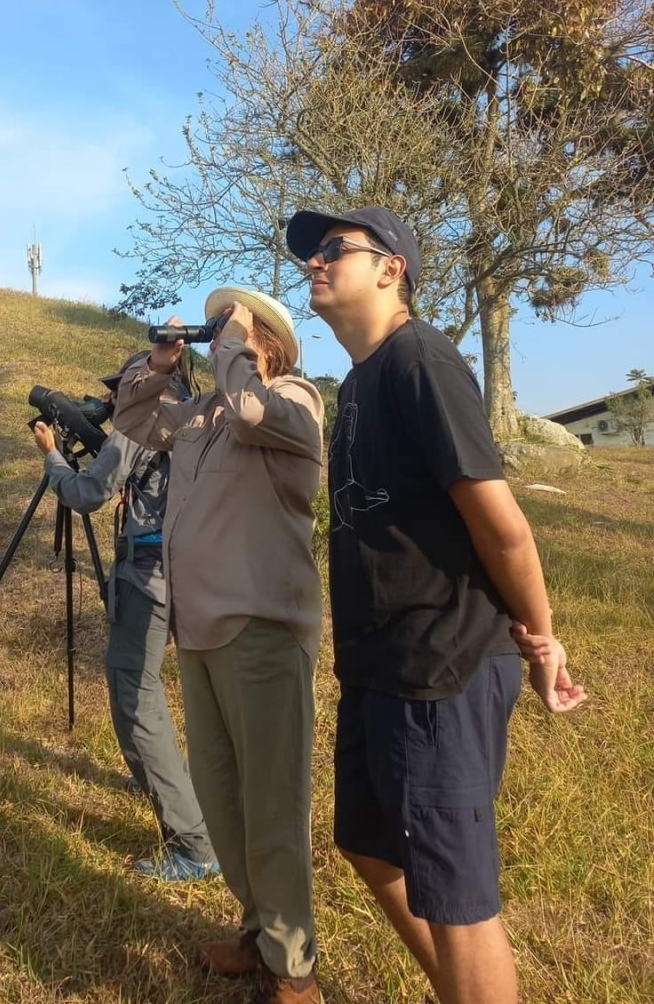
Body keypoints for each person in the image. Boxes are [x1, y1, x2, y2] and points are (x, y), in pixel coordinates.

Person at [285, 205, 587, 1004]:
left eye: (333, 250)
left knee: (457, 900)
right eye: (311, 254)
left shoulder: (423, 362)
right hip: (380, 665)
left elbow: (504, 528)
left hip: (440, 664)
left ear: (392, 269)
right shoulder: (358, 384)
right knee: (370, 848)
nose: (314, 263)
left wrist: (543, 642)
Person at [113, 289, 326, 1004]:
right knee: (226, 802)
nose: (217, 338)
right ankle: (259, 931)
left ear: (264, 341)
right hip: (198, 632)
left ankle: (293, 972)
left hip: (262, 628)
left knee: (272, 808)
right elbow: (136, 422)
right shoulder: (204, 413)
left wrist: (234, 346)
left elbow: (252, 410)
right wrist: (160, 362)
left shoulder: (295, 400)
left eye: (234, 326)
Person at [31, 351, 219, 882]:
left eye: (120, 389)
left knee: (134, 692)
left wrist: (52, 457)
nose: (113, 402)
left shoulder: (144, 421)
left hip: (149, 573)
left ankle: (194, 844)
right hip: (192, 571)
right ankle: (153, 776)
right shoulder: (195, 414)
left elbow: (88, 493)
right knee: (144, 683)